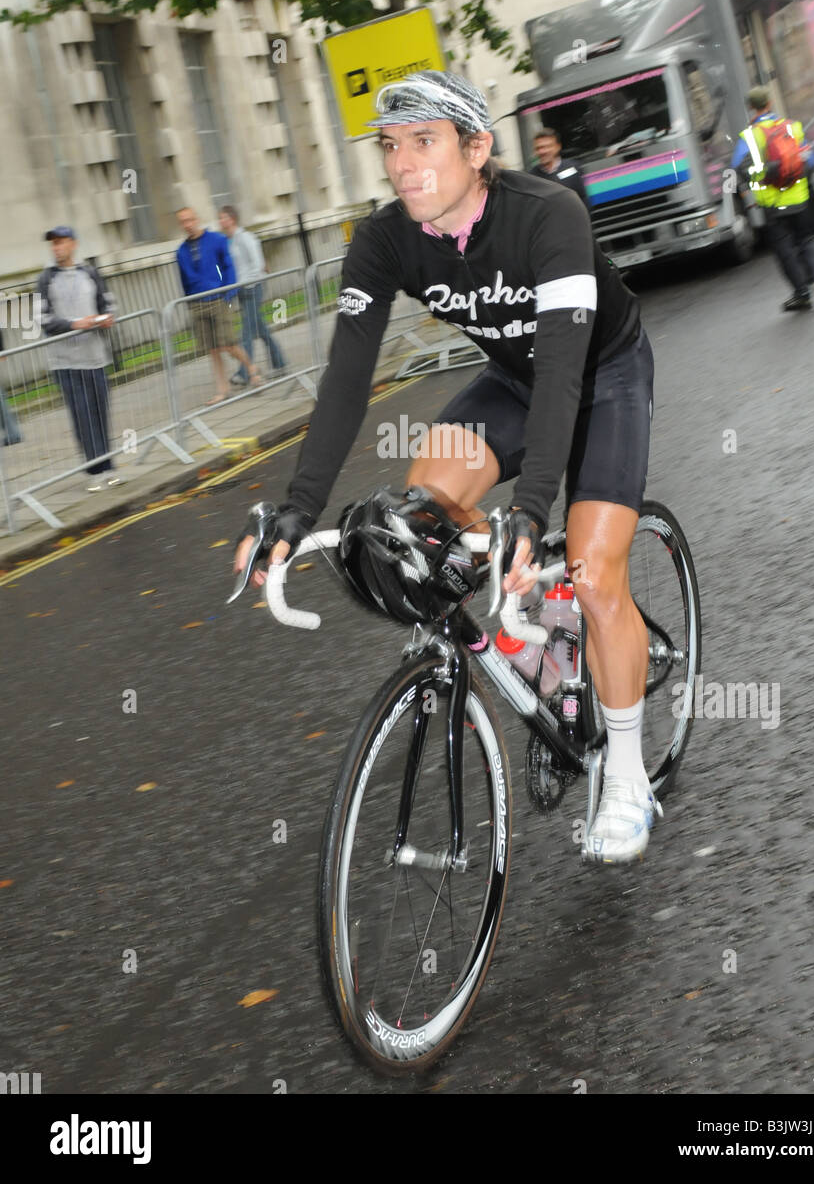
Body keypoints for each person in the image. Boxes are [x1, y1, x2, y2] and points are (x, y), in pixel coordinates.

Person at [235, 70, 660, 865]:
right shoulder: (383, 238)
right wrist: (296, 508)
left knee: (598, 574)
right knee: (421, 512)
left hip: (599, 374)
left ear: (476, 148)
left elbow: (565, 370)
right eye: (390, 147)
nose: (402, 165)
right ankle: (543, 634)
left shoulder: (546, 214)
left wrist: (532, 511)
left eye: (424, 142)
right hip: (510, 381)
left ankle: (628, 776)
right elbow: (346, 379)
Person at [731, 87, 814, 312]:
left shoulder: (750, 136)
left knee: (784, 248)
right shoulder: (792, 127)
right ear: (770, 103)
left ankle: (801, 294)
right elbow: (809, 161)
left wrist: (768, 176)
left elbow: (738, 167)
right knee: (805, 239)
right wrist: (798, 179)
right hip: (799, 197)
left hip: (772, 203)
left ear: (751, 108)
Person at [36, 226, 121, 490]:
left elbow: (107, 302)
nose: (56, 248)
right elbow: (43, 319)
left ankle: (108, 467)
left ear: (73, 244)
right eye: (53, 244)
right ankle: (94, 472)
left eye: (60, 242)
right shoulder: (46, 278)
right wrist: (75, 324)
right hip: (66, 361)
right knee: (82, 417)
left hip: (95, 357)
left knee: (99, 413)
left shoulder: (90, 272)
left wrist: (107, 317)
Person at [175, 207, 261, 404]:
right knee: (213, 349)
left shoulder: (217, 240)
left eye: (190, 220)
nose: (187, 224)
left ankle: (250, 368)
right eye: (183, 222)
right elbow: (183, 279)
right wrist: (189, 300)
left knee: (228, 344)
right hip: (197, 302)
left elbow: (228, 266)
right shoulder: (181, 251)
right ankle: (222, 390)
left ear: (196, 219)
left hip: (219, 298)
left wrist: (228, 292)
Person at [217, 206, 287, 384]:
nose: (220, 221)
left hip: (253, 287)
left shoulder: (246, 238)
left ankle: (244, 373)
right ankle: (280, 363)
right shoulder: (228, 241)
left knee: (246, 331)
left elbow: (257, 263)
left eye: (223, 218)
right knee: (261, 328)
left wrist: (248, 282)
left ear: (232, 219)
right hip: (241, 289)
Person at [530, 128, 592, 216]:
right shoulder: (531, 177)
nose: (542, 151)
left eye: (547, 146)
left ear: (558, 147)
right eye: (538, 148)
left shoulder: (574, 168)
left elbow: (584, 199)